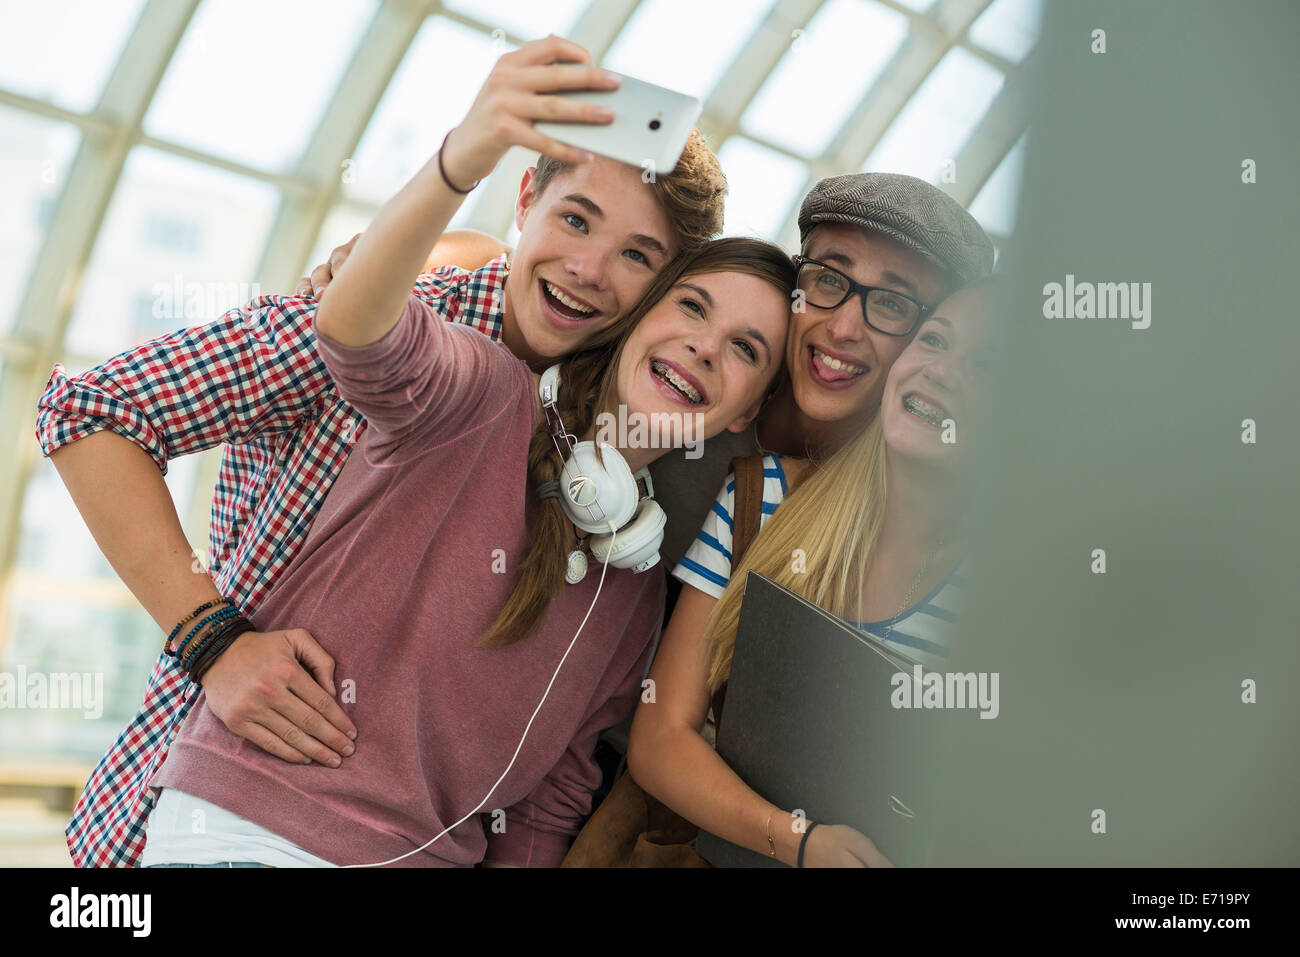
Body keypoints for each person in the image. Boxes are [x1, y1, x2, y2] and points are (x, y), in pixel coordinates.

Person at [35, 36, 728, 868]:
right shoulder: (379, 309)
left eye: (637, 257)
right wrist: (210, 636)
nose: (587, 269)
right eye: (575, 219)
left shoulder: (607, 464)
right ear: (524, 199)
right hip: (197, 806)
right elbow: (92, 409)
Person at [627, 279, 1003, 867]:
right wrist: (801, 844)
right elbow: (657, 741)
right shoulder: (762, 496)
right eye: (934, 340)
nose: (941, 372)